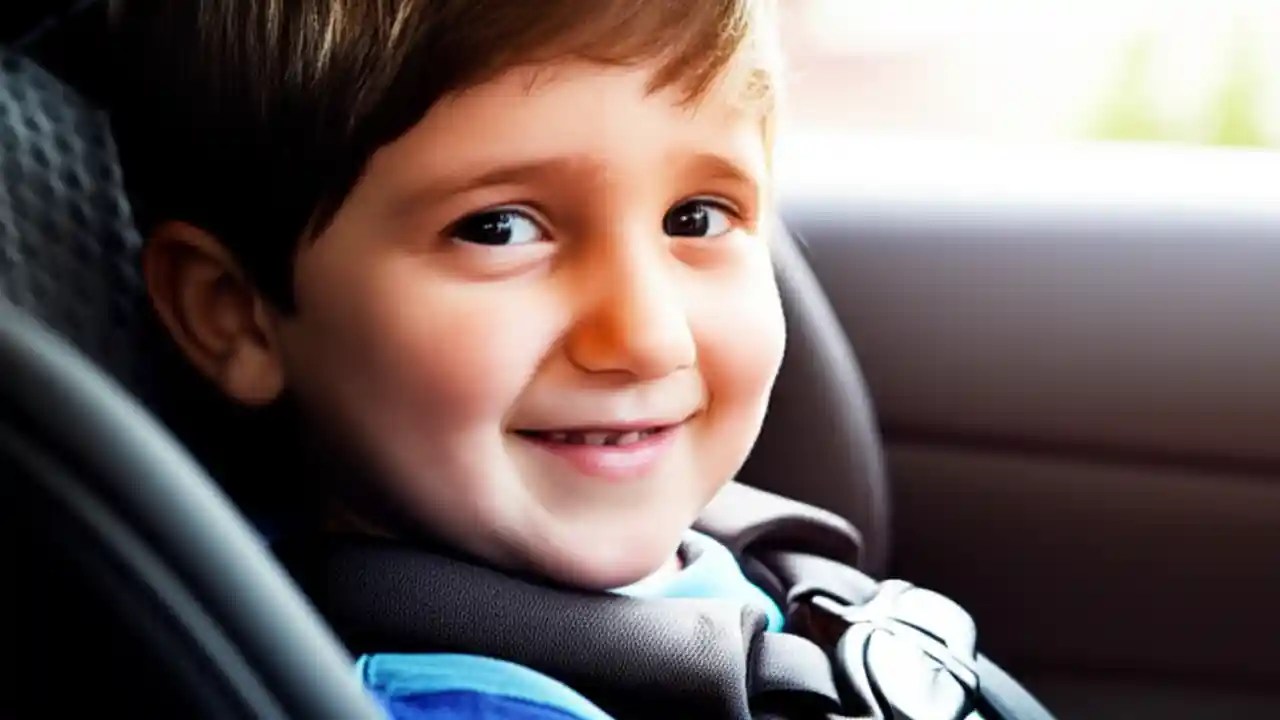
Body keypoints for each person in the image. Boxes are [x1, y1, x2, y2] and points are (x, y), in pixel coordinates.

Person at [112, 1, 789, 717]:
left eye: (697, 217)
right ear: (235, 317)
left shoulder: (753, 564)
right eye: (497, 229)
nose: (650, 338)